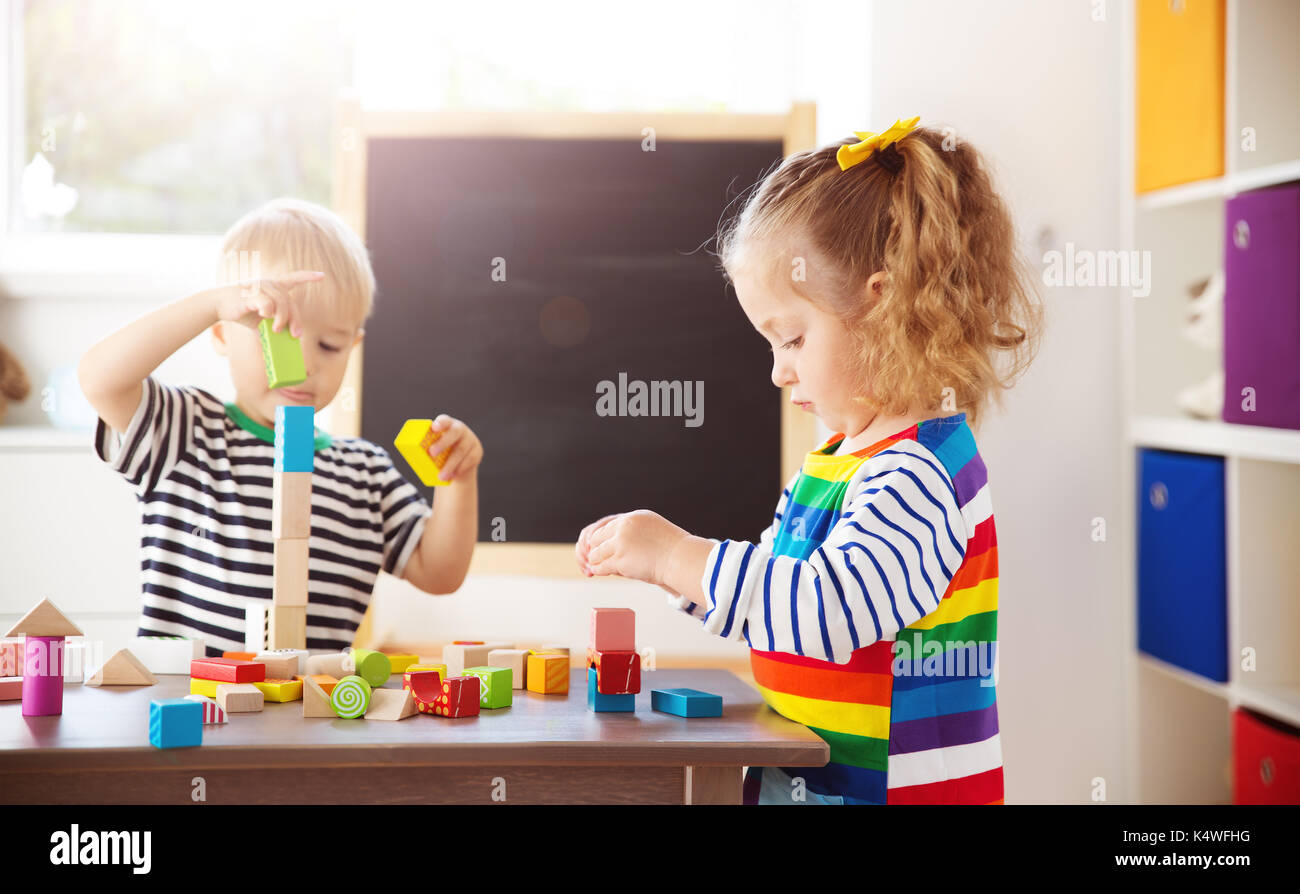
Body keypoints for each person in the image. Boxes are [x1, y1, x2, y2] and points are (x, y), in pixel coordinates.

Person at [576, 118, 1043, 804]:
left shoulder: (916, 473)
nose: (778, 373)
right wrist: (670, 573)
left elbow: (830, 609)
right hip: (810, 781)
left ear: (880, 308)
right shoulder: (835, 461)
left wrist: (680, 556)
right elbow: (773, 603)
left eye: (790, 339)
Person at [78, 198, 482, 655]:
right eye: (277, 335)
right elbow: (100, 380)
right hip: (188, 710)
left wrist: (457, 478)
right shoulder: (186, 433)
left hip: (311, 716)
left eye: (330, 345)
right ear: (222, 333)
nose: (306, 363)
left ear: (354, 345)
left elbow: (440, 572)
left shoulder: (365, 473)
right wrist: (212, 305)